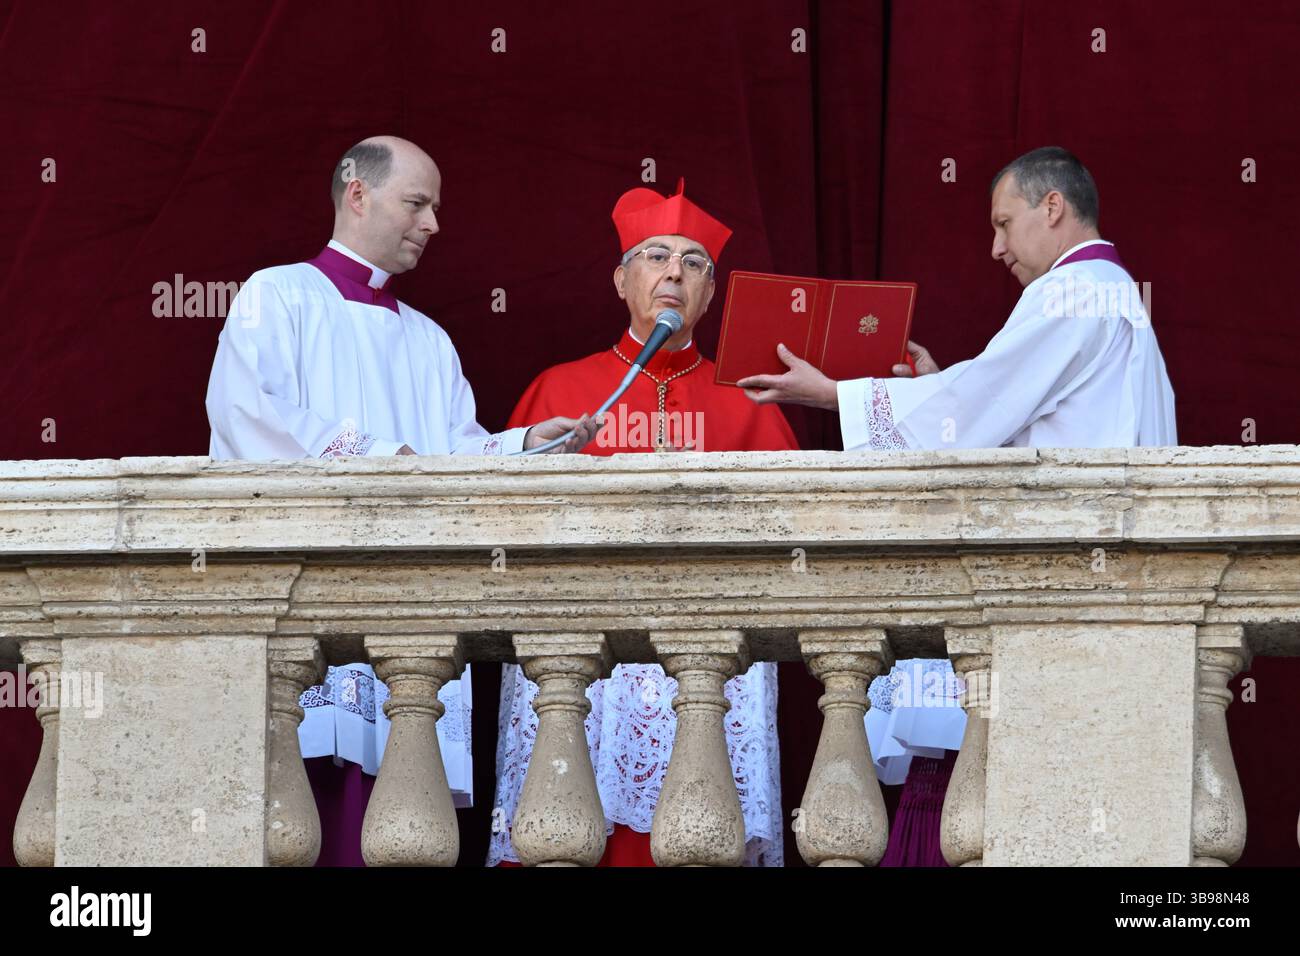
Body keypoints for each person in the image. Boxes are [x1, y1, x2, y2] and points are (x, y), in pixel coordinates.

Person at [738, 145, 1177, 865]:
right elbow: (1036, 429)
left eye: (1005, 224)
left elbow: (975, 411)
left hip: (1060, 593)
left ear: (1053, 207)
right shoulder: (1116, 293)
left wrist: (833, 394)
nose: (996, 247)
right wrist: (945, 386)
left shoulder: (1073, 292)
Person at [205, 135, 601, 864]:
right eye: (417, 203)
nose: (432, 224)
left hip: (407, 630)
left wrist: (523, 445)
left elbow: (452, 454)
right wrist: (388, 459)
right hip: (303, 606)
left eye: (436, 208)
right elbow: (249, 417)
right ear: (357, 193)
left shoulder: (430, 341)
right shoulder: (277, 294)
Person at [489, 178, 798, 867]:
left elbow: (789, 544)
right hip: (584, 664)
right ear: (622, 279)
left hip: (708, 668)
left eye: (693, 264)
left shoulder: (748, 404)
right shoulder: (561, 390)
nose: (673, 273)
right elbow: (504, 530)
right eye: (656, 257)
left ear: (711, 295)